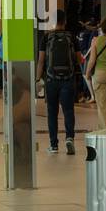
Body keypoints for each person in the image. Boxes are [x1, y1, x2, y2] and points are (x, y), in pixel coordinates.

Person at [38, 9, 80, 154]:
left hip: (51, 80)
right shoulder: (71, 37)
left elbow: (41, 61)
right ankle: (69, 138)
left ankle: (54, 145)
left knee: (52, 112)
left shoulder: (46, 38)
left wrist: (38, 79)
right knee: (68, 110)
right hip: (68, 79)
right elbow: (79, 59)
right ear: (65, 21)